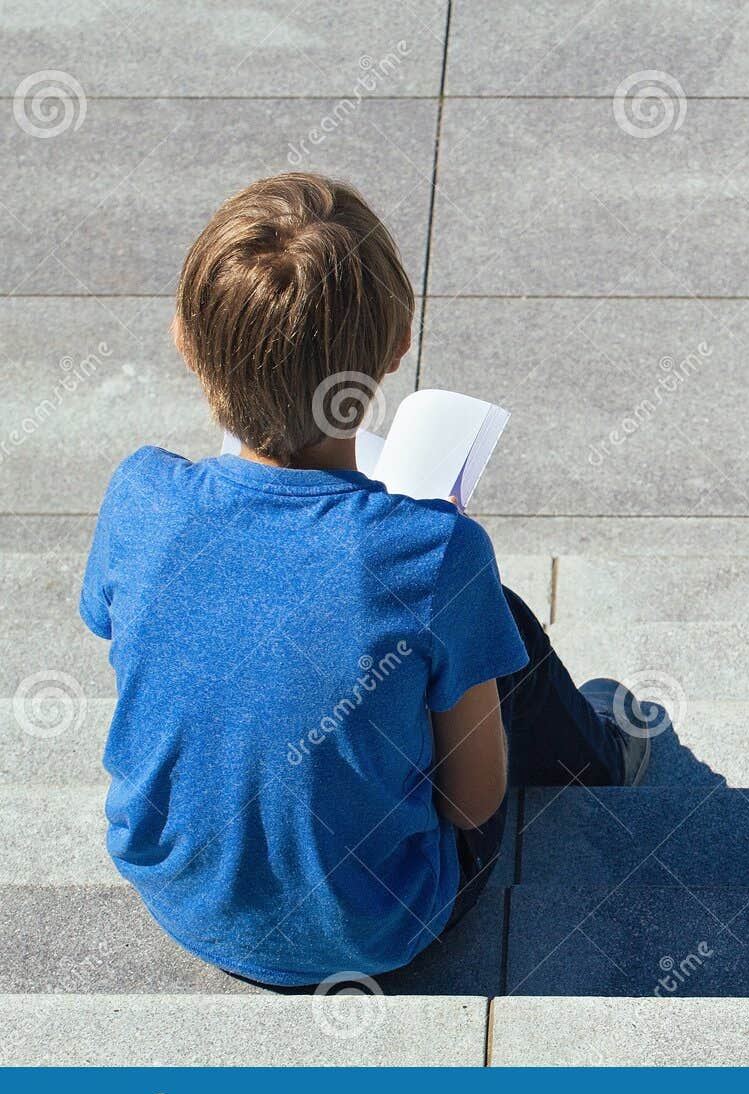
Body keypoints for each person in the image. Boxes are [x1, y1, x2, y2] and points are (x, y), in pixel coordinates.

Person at [79, 172, 648, 989]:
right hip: (376, 927)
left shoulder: (141, 494)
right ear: (395, 347)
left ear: (184, 338)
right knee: (496, 622)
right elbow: (473, 803)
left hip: (178, 892)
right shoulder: (433, 552)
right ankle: (597, 759)